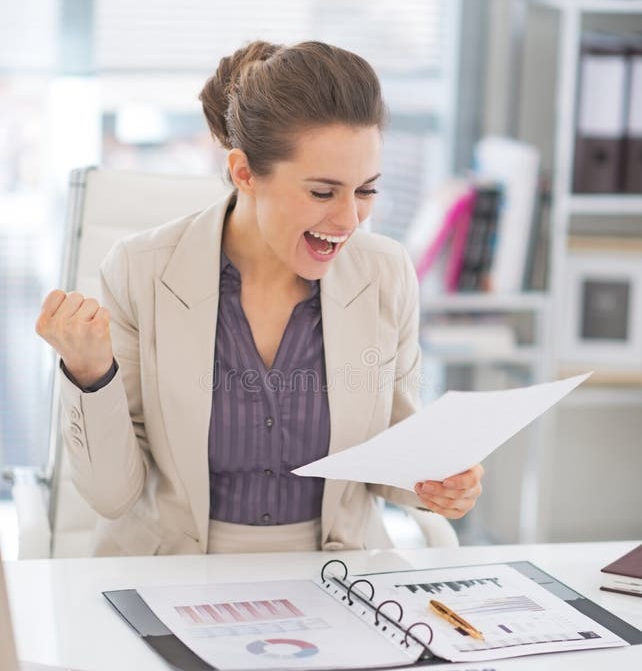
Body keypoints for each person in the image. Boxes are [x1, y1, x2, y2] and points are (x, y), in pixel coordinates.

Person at [35, 40, 483, 557]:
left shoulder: (384, 273)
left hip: (334, 571)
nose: (350, 220)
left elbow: (390, 448)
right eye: (322, 192)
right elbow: (112, 497)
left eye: (365, 191)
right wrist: (91, 375)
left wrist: (438, 481)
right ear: (245, 173)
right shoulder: (140, 271)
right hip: (176, 567)